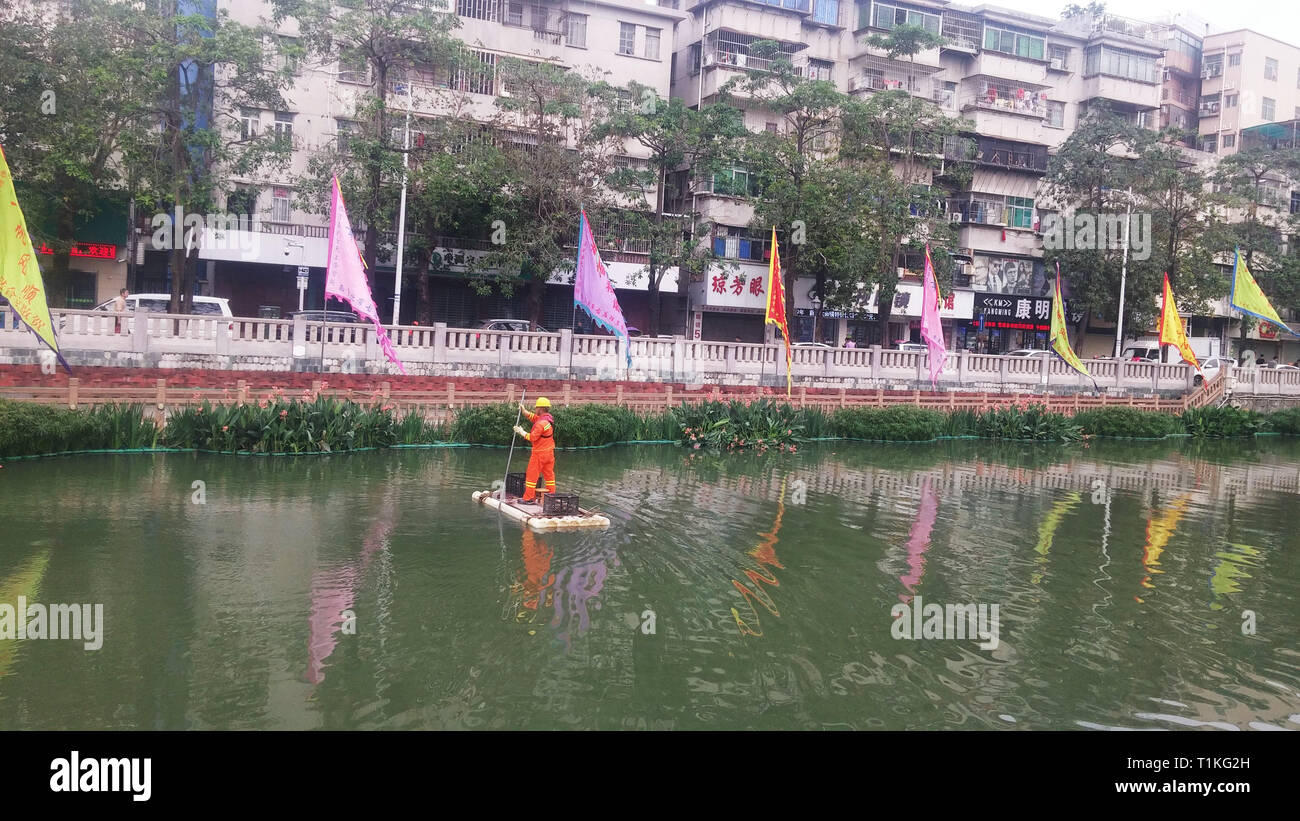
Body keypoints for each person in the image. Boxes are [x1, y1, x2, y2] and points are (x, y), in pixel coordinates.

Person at [513, 397, 556, 505]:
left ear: (540, 409)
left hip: (539, 454)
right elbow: (535, 418)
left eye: (536, 408)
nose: (535, 409)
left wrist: (521, 432)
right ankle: (552, 495)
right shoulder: (547, 419)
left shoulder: (541, 424)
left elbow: (532, 437)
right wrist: (525, 412)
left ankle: (528, 499)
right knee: (549, 475)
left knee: (531, 476)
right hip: (549, 453)